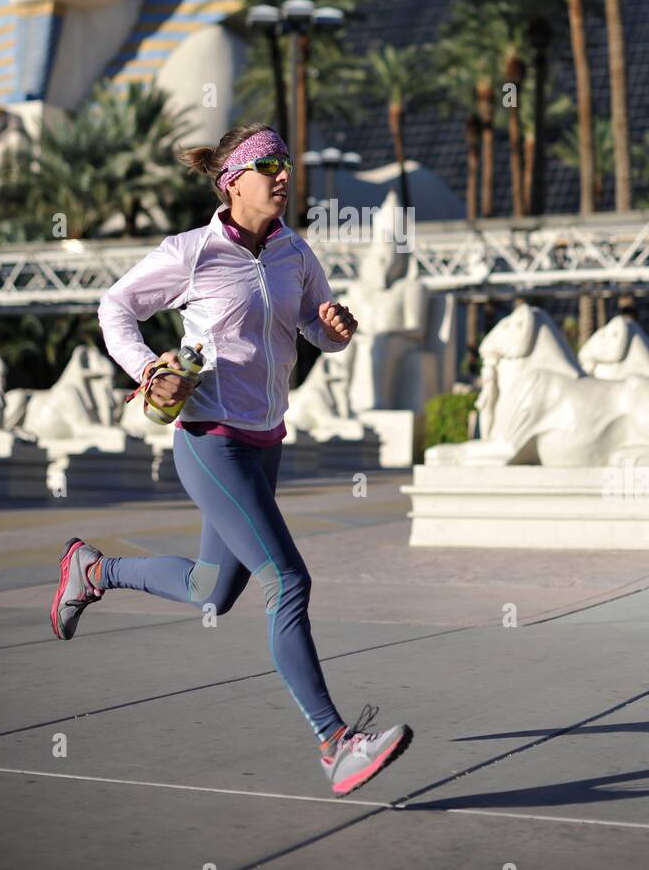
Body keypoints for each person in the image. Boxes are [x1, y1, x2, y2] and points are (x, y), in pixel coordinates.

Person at [49, 122, 413, 797]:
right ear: (233, 180)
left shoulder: (295, 253)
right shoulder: (191, 253)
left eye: (287, 166)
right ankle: (336, 743)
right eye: (269, 165)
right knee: (288, 581)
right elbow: (115, 305)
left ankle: (91, 570)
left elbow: (311, 329)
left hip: (264, 441)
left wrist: (333, 332)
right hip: (208, 436)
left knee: (209, 591)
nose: (283, 176)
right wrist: (146, 368)